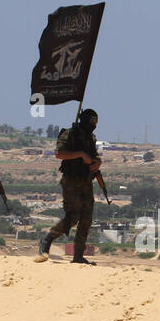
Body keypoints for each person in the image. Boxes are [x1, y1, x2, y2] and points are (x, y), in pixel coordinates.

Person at [36, 108, 101, 265]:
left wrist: (97, 162)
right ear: (84, 120)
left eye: (96, 122)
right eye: (91, 122)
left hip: (86, 180)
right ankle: (48, 238)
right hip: (71, 181)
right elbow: (59, 153)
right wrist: (79, 154)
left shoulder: (91, 137)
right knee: (72, 217)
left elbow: (93, 155)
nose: (93, 125)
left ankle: (78, 256)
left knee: (86, 219)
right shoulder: (69, 134)